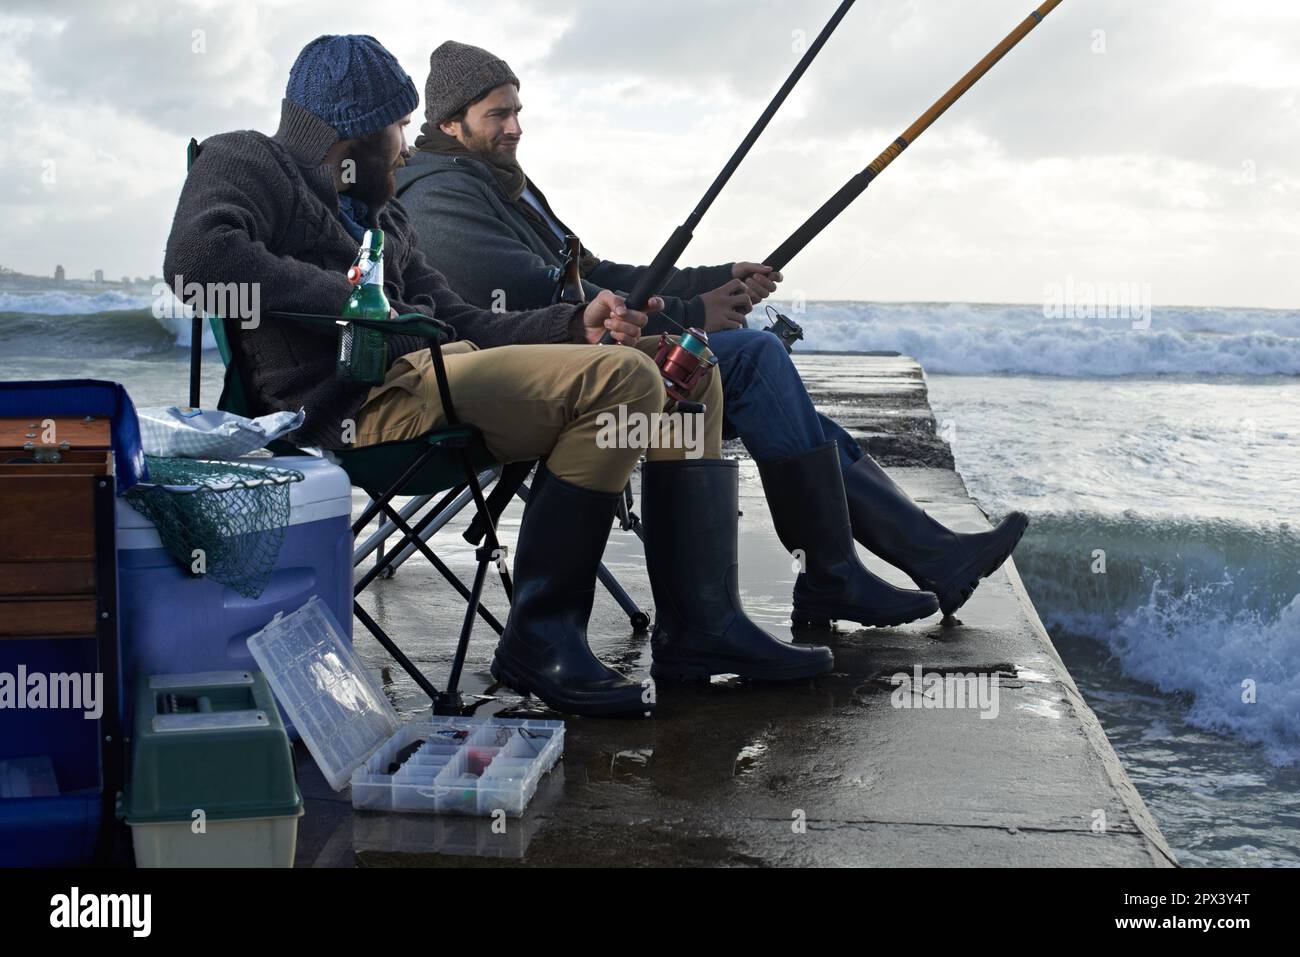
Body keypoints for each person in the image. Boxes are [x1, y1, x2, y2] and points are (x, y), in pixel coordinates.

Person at [163, 35, 833, 719]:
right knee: (627, 381)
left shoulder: (386, 212)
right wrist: (359, 301)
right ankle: (540, 640)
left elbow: (458, 318)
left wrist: (578, 327)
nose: (405, 144)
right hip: (355, 407)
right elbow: (196, 261)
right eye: (396, 127)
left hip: (440, 376)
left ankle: (701, 628)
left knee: (687, 370)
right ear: (351, 139)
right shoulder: (248, 159)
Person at [397, 41, 1029, 627]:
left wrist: (718, 276)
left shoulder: (504, 185)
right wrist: (694, 311)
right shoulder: (438, 195)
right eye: (496, 115)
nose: (515, 127)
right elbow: (546, 296)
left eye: (517, 112)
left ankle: (909, 558)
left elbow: (601, 273)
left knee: (773, 391)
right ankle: (841, 574)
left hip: (586, 358)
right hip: (538, 379)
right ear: (451, 122)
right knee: (753, 359)